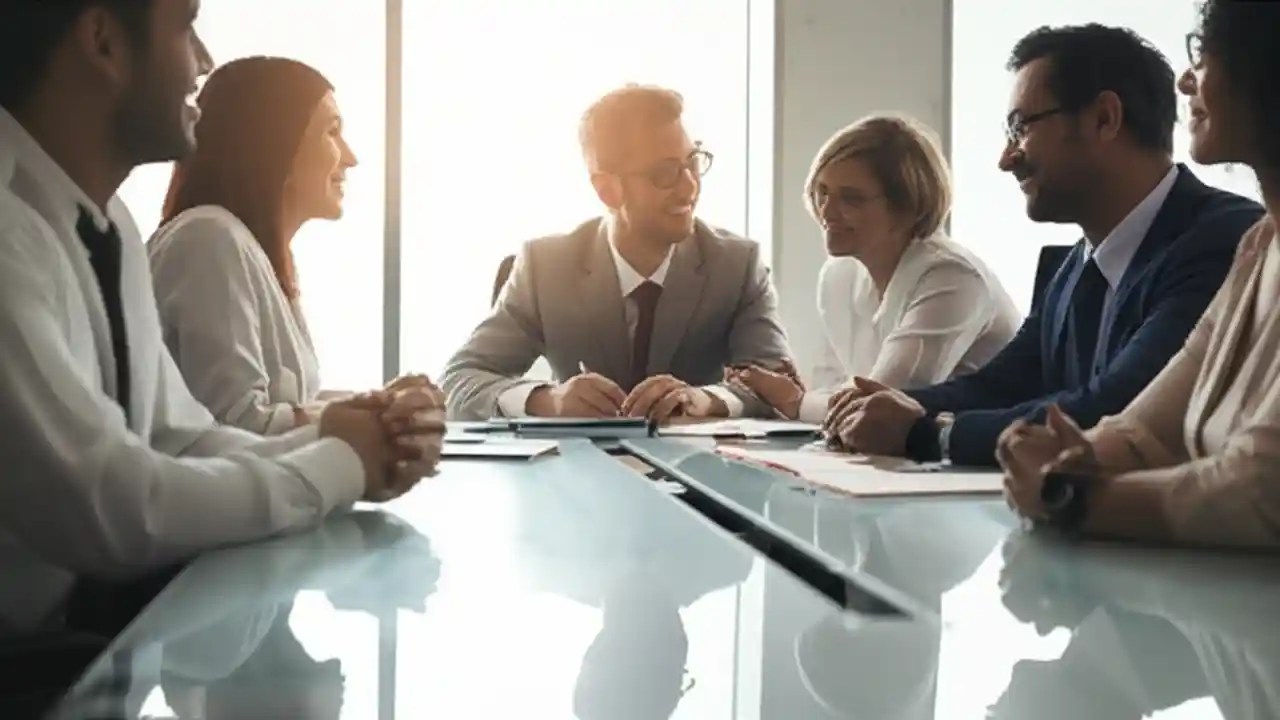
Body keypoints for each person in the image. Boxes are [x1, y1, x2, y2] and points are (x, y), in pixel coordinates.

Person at [0, 0, 439, 680]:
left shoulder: (106, 223)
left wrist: (354, 442)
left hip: (90, 658)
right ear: (102, 40)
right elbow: (111, 505)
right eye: (185, 27)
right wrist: (339, 464)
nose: (203, 62)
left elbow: (180, 436)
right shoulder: (9, 230)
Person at [826, 23, 1262, 467]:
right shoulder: (1073, 266)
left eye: (1020, 127)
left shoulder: (1225, 241)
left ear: (1104, 119)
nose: (1006, 158)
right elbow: (1000, 385)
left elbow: (1116, 407)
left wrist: (925, 433)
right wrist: (889, 405)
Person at [998, 1, 1280, 548]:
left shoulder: (1220, 235)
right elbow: (1148, 428)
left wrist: (1073, 495)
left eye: (1204, 52)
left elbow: (1262, 488)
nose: (1184, 79)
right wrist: (1070, 459)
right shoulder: (1258, 246)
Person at [441, 84, 793, 422]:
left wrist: (707, 400)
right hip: (578, 473)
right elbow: (460, 381)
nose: (690, 186)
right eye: (666, 173)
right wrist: (548, 399)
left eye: (693, 162)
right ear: (608, 190)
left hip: (701, 473)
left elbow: (780, 385)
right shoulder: (544, 267)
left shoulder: (736, 265)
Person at [148, 56, 440, 435]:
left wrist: (378, 404)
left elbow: (287, 408)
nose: (349, 158)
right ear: (275, 142)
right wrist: (374, 415)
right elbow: (239, 424)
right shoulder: (208, 239)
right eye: (332, 131)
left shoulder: (254, 252)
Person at [730, 114, 1020, 422]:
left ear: (909, 206)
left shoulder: (953, 277)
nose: (827, 211)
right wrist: (800, 399)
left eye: (851, 199)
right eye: (822, 191)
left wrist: (796, 402)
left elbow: (884, 404)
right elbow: (830, 390)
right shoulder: (839, 274)